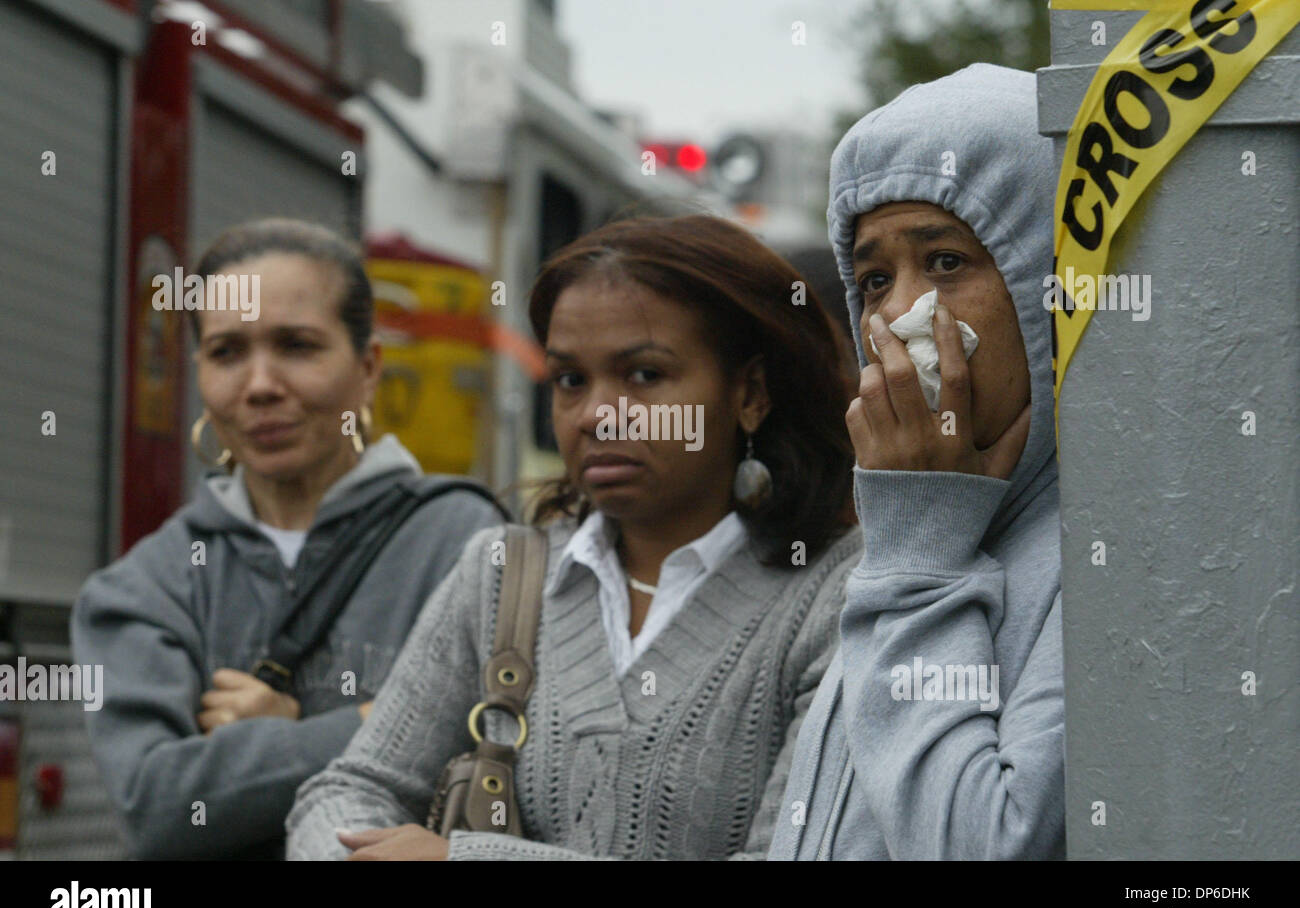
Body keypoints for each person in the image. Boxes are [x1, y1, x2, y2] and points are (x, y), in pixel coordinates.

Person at [286, 214, 861, 860]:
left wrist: (463, 858)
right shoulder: (504, 572)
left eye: (644, 375)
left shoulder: (838, 596)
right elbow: (349, 787)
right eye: (569, 380)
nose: (595, 414)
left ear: (750, 393)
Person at [71, 218, 505, 859]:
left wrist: (287, 734)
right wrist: (369, 723)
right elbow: (157, 807)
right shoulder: (143, 586)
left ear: (367, 368)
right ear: (199, 375)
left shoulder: (469, 545)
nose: (261, 385)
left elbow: (505, 752)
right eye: (227, 353)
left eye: (297, 346)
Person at [769, 64, 1065, 860]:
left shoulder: (1116, 559)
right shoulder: (905, 533)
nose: (899, 315)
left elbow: (985, 846)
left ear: (1048, 284)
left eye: (944, 263)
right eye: (872, 279)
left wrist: (920, 554)